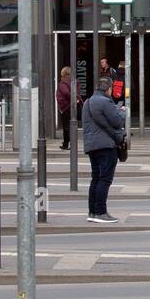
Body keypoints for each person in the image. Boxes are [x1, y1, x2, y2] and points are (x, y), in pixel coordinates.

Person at [83, 76, 126, 224]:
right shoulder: (106, 102)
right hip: (106, 145)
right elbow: (118, 121)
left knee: (95, 178)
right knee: (105, 179)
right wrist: (121, 111)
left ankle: (92, 211)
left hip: (91, 145)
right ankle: (101, 212)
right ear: (109, 88)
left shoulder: (87, 102)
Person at [57, 66, 76, 151]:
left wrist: (73, 98)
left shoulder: (63, 83)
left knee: (67, 127)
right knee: (68, 126)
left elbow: (66, 93)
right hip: (70, 106)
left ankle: (66, 144)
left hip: (66, 107)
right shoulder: (71, 82)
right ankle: (66, 143)